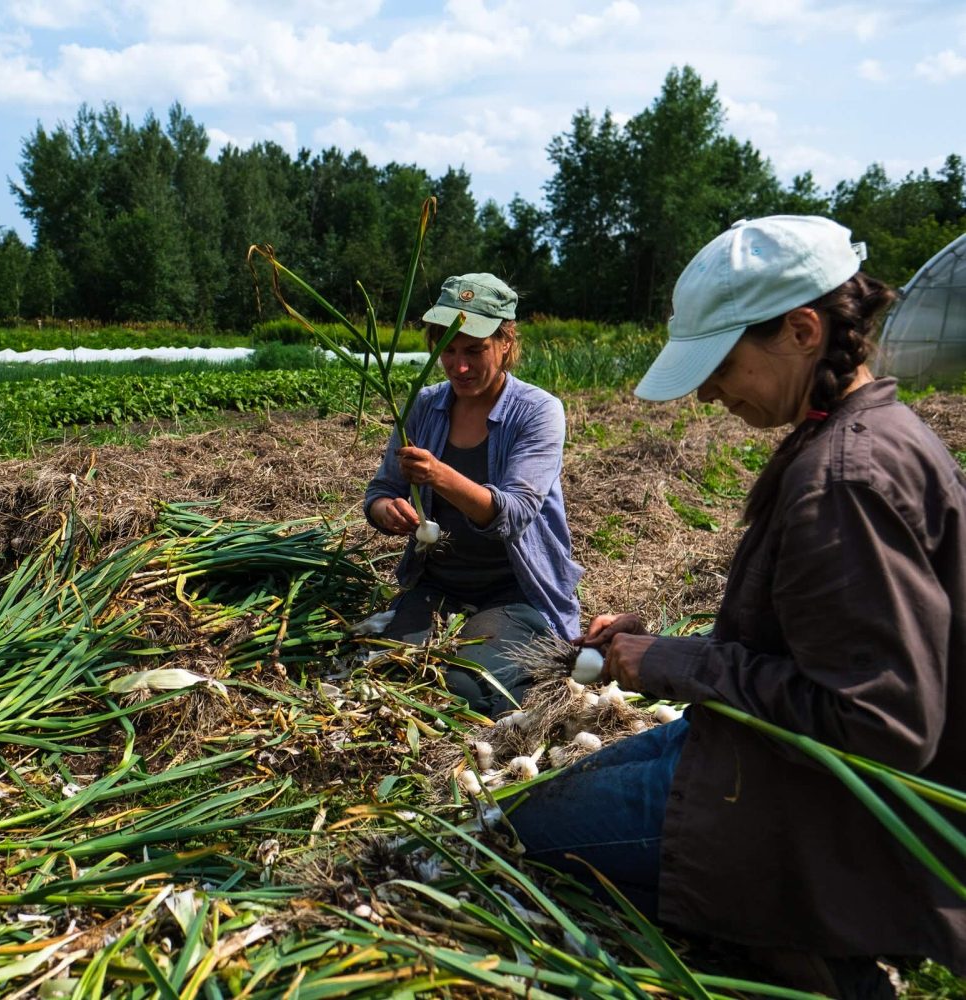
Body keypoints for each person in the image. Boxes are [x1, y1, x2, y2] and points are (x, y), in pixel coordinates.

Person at [509, 216, 966, 997]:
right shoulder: (862, 431)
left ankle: (802, 931)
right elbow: (829, 643)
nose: (710, 389)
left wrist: (680, 662)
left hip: (824, 806)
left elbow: (879, 726)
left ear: (800, 330)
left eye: (720, 362)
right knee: (544, 805)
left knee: (528, 840)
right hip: (772, 754)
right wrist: (662, 647)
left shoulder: (844, 481)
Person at [364, 273, 581, 716]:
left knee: (473, 689)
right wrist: (387, 511)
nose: (459, 366)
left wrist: (440, 475)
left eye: (474, 350)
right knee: (390, 672)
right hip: (437, 583)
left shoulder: (537, 411)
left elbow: (514, 514)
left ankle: (537, 655)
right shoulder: (424, 406)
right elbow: (381, 490)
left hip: (515, 589)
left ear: (505, 342)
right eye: (448, 349)